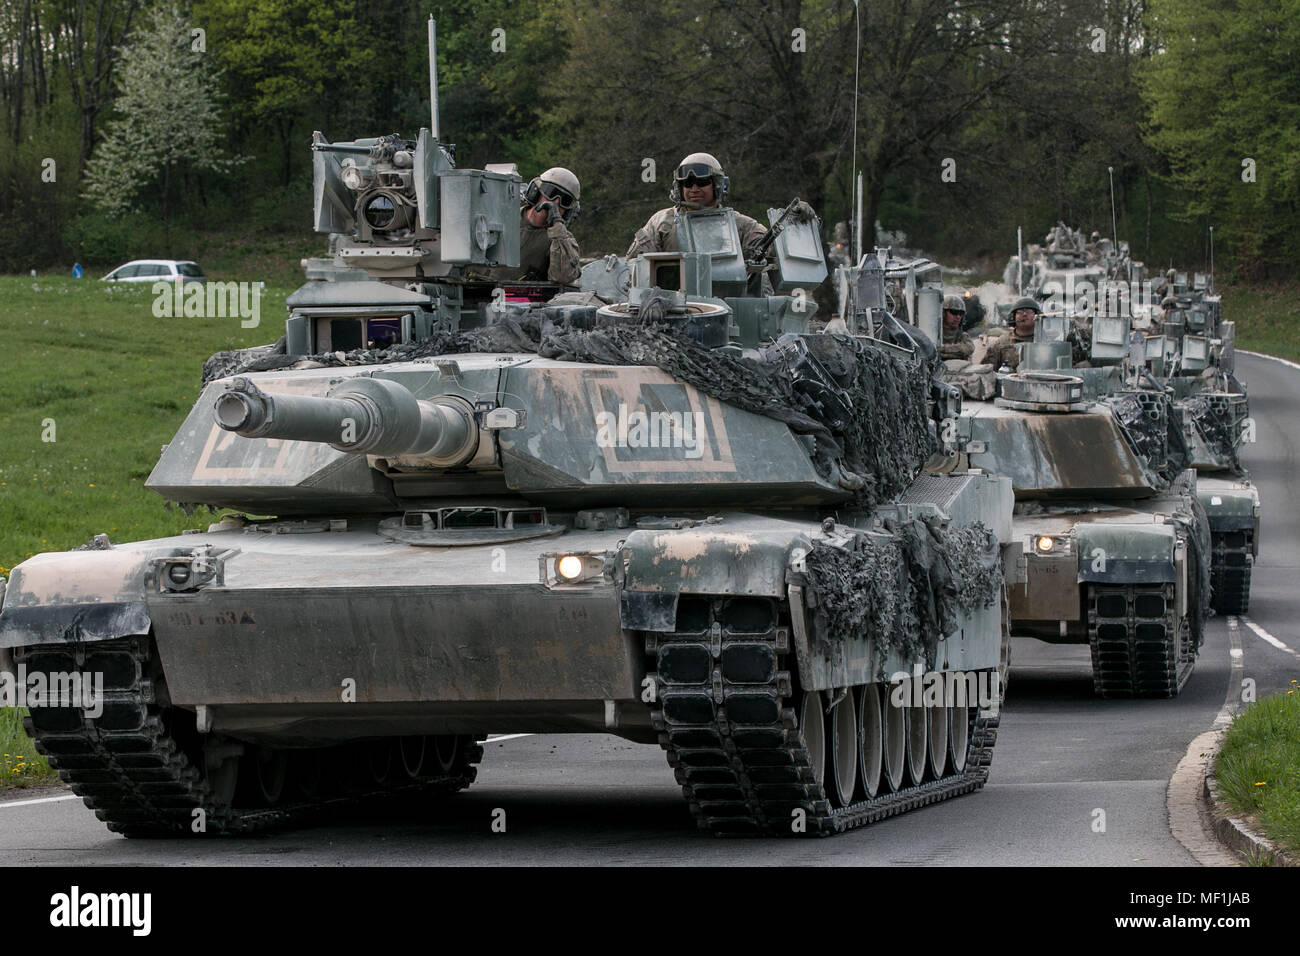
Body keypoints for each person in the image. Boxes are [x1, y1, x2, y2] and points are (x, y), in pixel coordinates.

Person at [627, 152, 768, 259]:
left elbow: (769, 251)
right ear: (679, 188)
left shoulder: (741, 226)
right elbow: (638, 264)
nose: (694, 189)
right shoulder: (661, 223)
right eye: (687, 183)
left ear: (718, 185)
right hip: (672, 296)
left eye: (702, 182)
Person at [495, 167, 581, 284]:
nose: (555, 203)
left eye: (565, 201)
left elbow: (564, 277)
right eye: (551, 193)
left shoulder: (562, 241)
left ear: (569, 210)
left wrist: (556, 224)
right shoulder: (499, 219)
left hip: (518, 300)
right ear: (536, 192)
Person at [989, 296, 1040, 371]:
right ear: (1013, 317)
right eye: (1020, 311)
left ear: (1037, 315)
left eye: (1029, 311)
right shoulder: (1003, 342)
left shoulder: (1045, 340)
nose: (1024, 314)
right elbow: (987, 369)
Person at [938, 294, 974, 360]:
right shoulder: (934, 334)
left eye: (961, 313)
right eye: (954, 312)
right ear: (943, 313)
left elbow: (968, 348)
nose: (958, 317)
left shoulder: (963, 336)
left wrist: (942, 349)